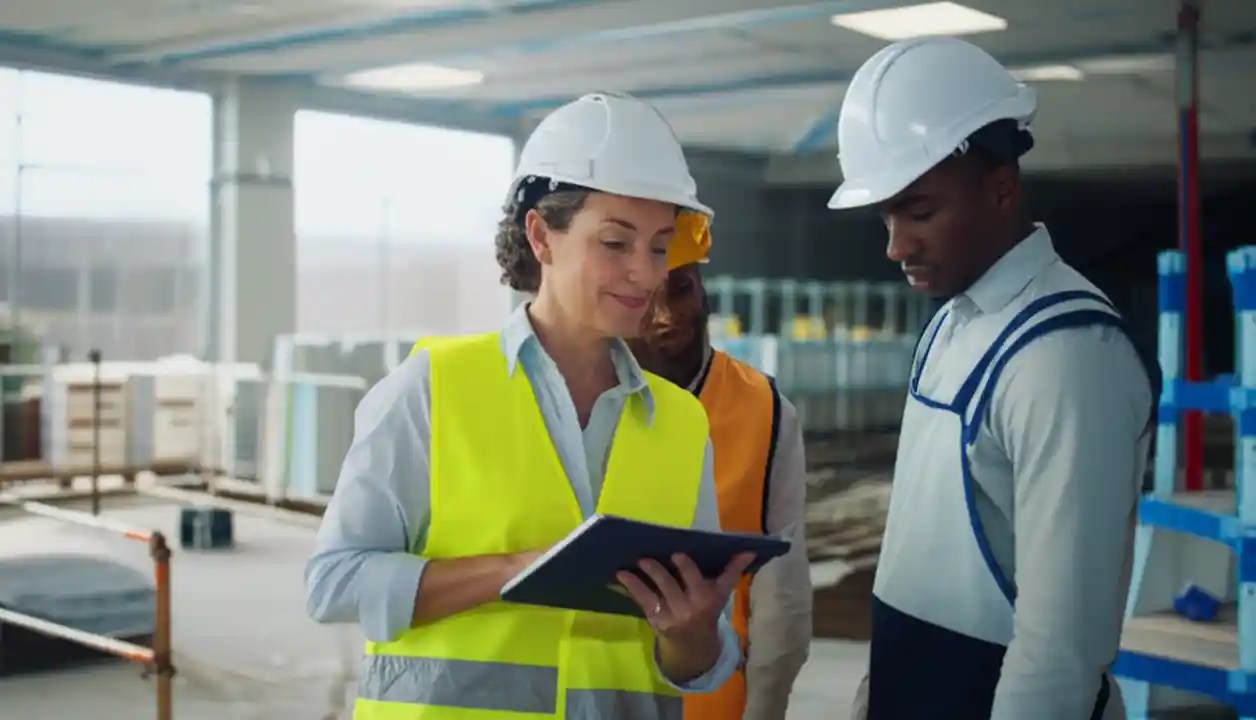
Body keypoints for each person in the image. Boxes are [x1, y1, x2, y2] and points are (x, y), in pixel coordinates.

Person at [304, 91, 754, 719]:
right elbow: (333, 583)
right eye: (616, 243)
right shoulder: (433, 387)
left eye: (658, 247)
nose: (645, 275)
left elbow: (701, 666)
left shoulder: (680, 424)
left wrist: (691, 636)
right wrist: (519, 568)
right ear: (541, 235)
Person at [827, 38, 1161, 720]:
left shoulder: (1066, 355)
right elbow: (907, 574)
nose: (896, 246)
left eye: (920, 213)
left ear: (1002, 189)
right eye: (887, 217)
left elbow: (1060, 652)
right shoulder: (953, 324)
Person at [629, 259, 814, 720]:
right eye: (647, 298)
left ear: (704, 292)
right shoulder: (580, 397)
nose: (666, 314)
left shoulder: (765, 410)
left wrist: (766, 707)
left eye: (680, 290)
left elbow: (782, 592)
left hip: (716, 702)